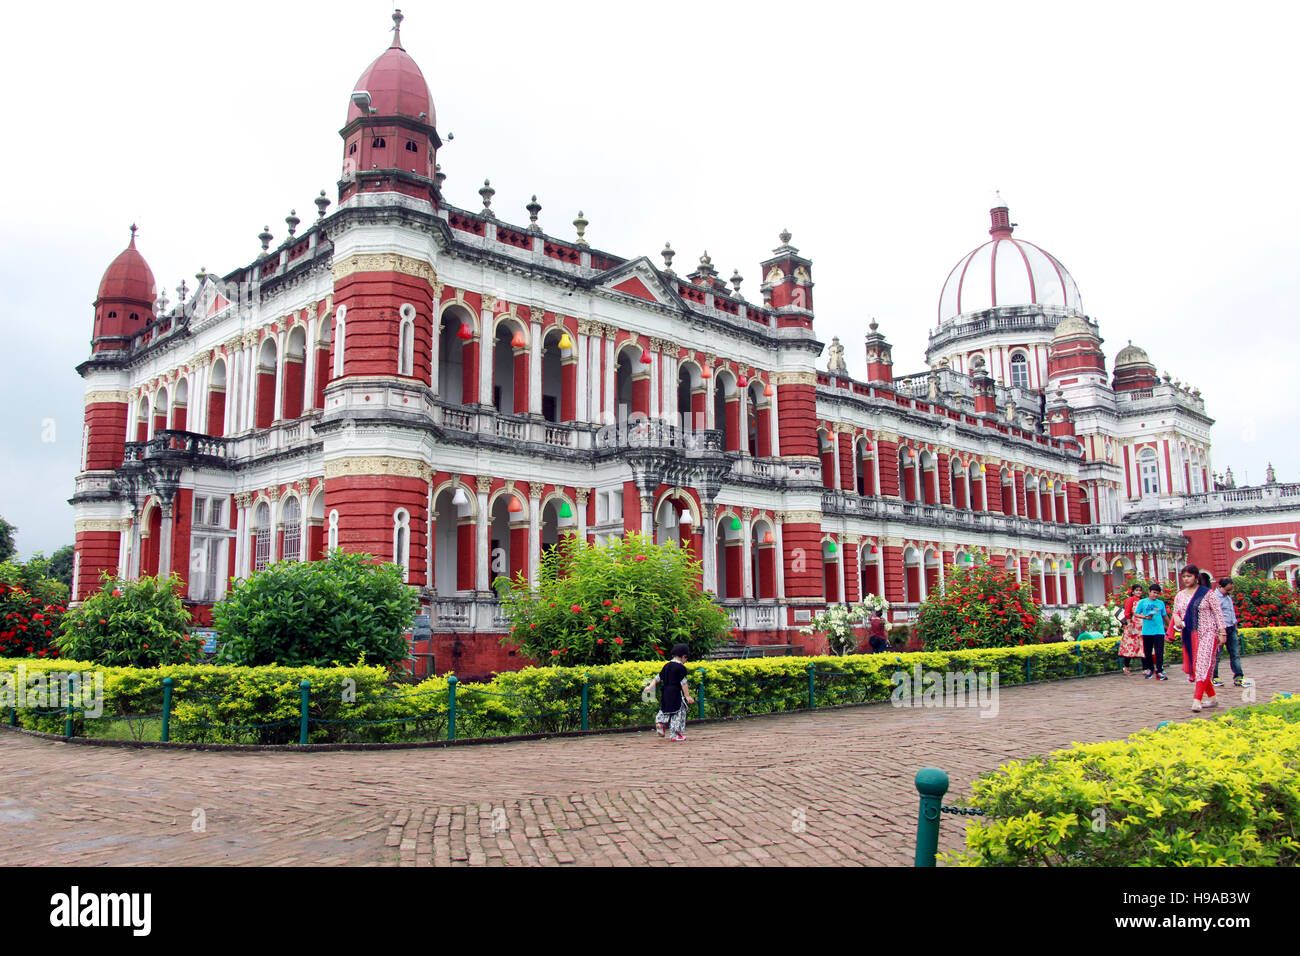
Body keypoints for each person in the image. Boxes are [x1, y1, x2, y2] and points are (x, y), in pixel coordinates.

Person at [1171, 564, 1229, 712]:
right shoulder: (1180, 595)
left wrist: (1222, 632)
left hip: (1208, 632)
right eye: (1184, 576)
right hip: (1190, 634)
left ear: (1196, 577)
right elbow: (1176, 612)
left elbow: (1218, 613)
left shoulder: (1207, 593)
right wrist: (1176, 618)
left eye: (1189, 576)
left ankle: (1197, 700)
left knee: (1203, 664)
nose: (1186, 579)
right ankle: (1213, 698)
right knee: (1197, 667)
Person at [645, 643, 695, 742]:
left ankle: (660, 723)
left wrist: (649, 687)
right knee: (678, 713)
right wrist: (688, 696)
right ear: (684, 657)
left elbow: (657, 678)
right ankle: (675, 734)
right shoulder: (681, 668)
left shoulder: (667, 666)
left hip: (666, 692)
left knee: (665, 709)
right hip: (676, 693)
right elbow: (683, 683)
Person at [1213, 577, 1246, 687]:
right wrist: (1219, 631)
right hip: (1220, 629)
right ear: (1220, 587)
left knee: (1235, 654)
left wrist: (1235, 626)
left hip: (1231, 627)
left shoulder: (1227, 596)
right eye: (1227, 590)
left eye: (1231, 590)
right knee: (1217, 655)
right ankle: (1214, 677)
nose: (1229, 592)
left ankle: (1239, 677)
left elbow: (1231, 612)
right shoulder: (1214, 598)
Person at [1134, 584, 1169, 680]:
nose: (1155, 595)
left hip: (1159, 630)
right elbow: (1136, 613)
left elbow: (1165, 615)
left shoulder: (1161, 603)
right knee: (1148, 651)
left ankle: (1160, 671)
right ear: (1149, 591)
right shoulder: (1142, 602)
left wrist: (1169, 627)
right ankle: (1150, 669)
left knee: (1159, 651)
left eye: (1157, 593)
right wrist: (1144, 617)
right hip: (1147, 631)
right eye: (1154, 592)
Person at [1117, 584, 1146, 675]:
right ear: (1133, 591)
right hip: (1132, 626)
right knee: (1129, 648)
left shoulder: (1142, 601)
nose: (1139, 592)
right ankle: (1126, 667)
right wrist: (1129, 625)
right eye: (1137, 590)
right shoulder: (1130, 600)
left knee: (1143, 647)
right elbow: (1127, 613)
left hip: (1142, 627)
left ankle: (1145, 668)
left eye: (1140, 590)